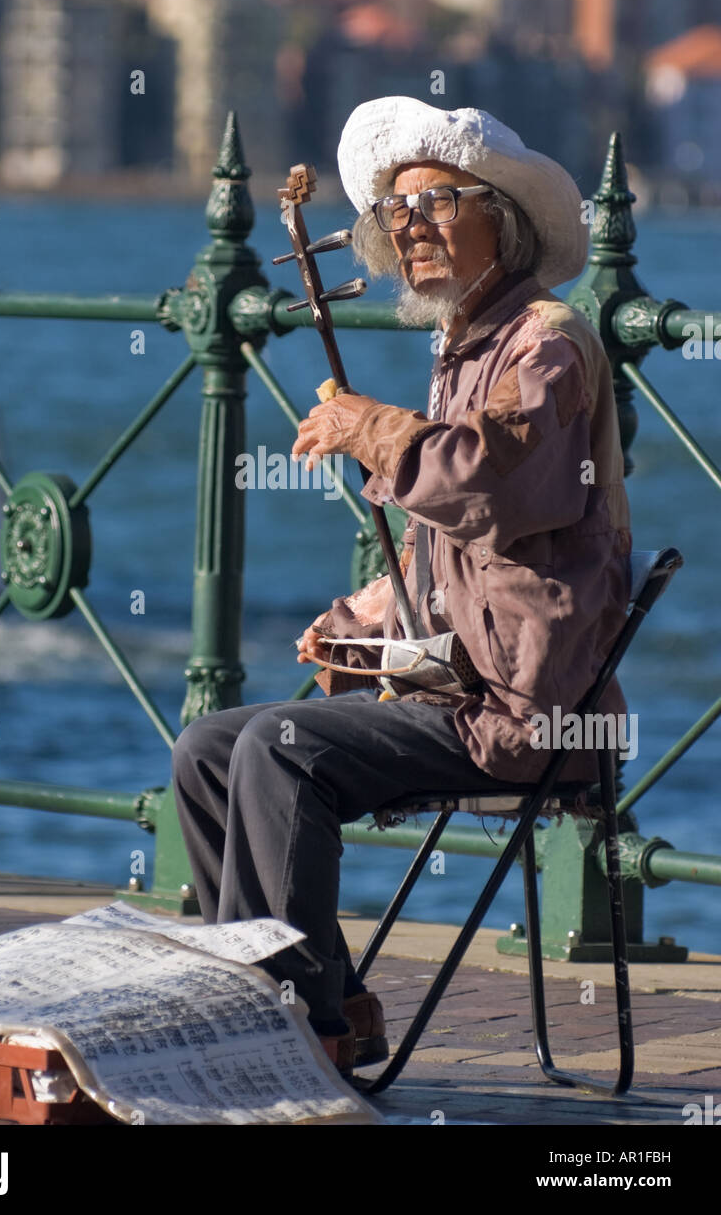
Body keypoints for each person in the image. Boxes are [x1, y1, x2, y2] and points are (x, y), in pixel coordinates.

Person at [172, 97, 632, 1077]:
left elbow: (486, 478)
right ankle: (314, 998)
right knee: (208, 747)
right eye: (396, 211)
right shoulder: (464, 346)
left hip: (523, 711)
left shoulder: (544, 345)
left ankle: (297, 1021)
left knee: (279, 748)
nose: (409, 225)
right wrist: (368, 616)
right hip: (463, 683)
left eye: (436, 202)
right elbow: (458, 547)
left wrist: (367, 427)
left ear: (499, 218)